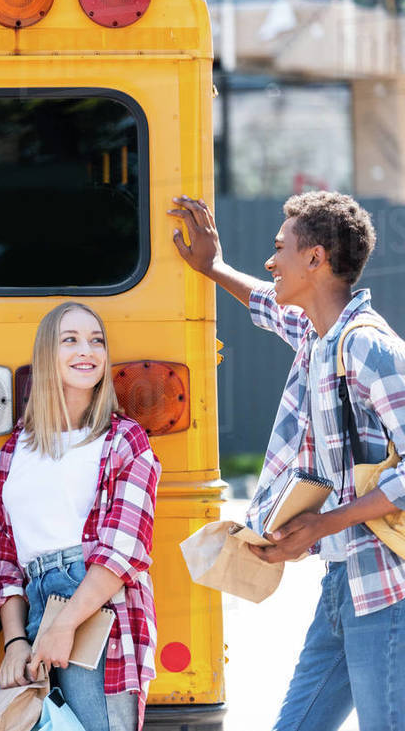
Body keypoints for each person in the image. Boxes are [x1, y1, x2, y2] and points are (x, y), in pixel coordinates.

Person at [169, 193, 405, 731]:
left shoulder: (369, 349)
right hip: (342, 583)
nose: (271, 262)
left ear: (316, 259)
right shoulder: (319, 337)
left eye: (281, 249)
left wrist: (322, 523)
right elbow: (268, 306)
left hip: (386, 587)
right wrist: (212, 267)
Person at [0, 302, 159, 731]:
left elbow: (125, 550)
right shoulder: (15, 451)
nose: (88, 350)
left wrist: (64, 624)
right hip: (34, 609)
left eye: (96, 340)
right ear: (47, 353)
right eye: (71, 340)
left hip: (97, 607)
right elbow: (7, 560)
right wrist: (15, 642)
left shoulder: (124, 439)